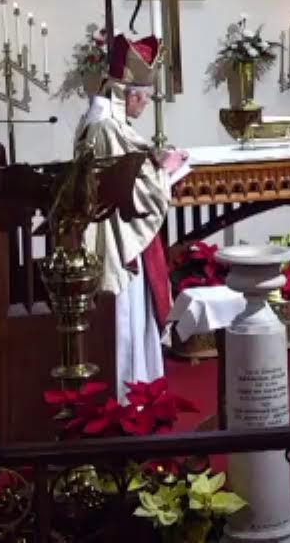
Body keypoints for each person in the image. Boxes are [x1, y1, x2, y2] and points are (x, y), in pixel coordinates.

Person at [75, 34, 189, 401]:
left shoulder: (106, 118)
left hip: (120, 229)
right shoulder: (106, 125)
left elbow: (128, 165)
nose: (146, 104)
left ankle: (141, 386)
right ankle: (128, 393)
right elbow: (131, 186)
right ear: (130, 94)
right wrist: (168, 171)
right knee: (125, 315)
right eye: (145, 97)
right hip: (115, 234)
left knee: (135, 314)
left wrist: (156, 163)